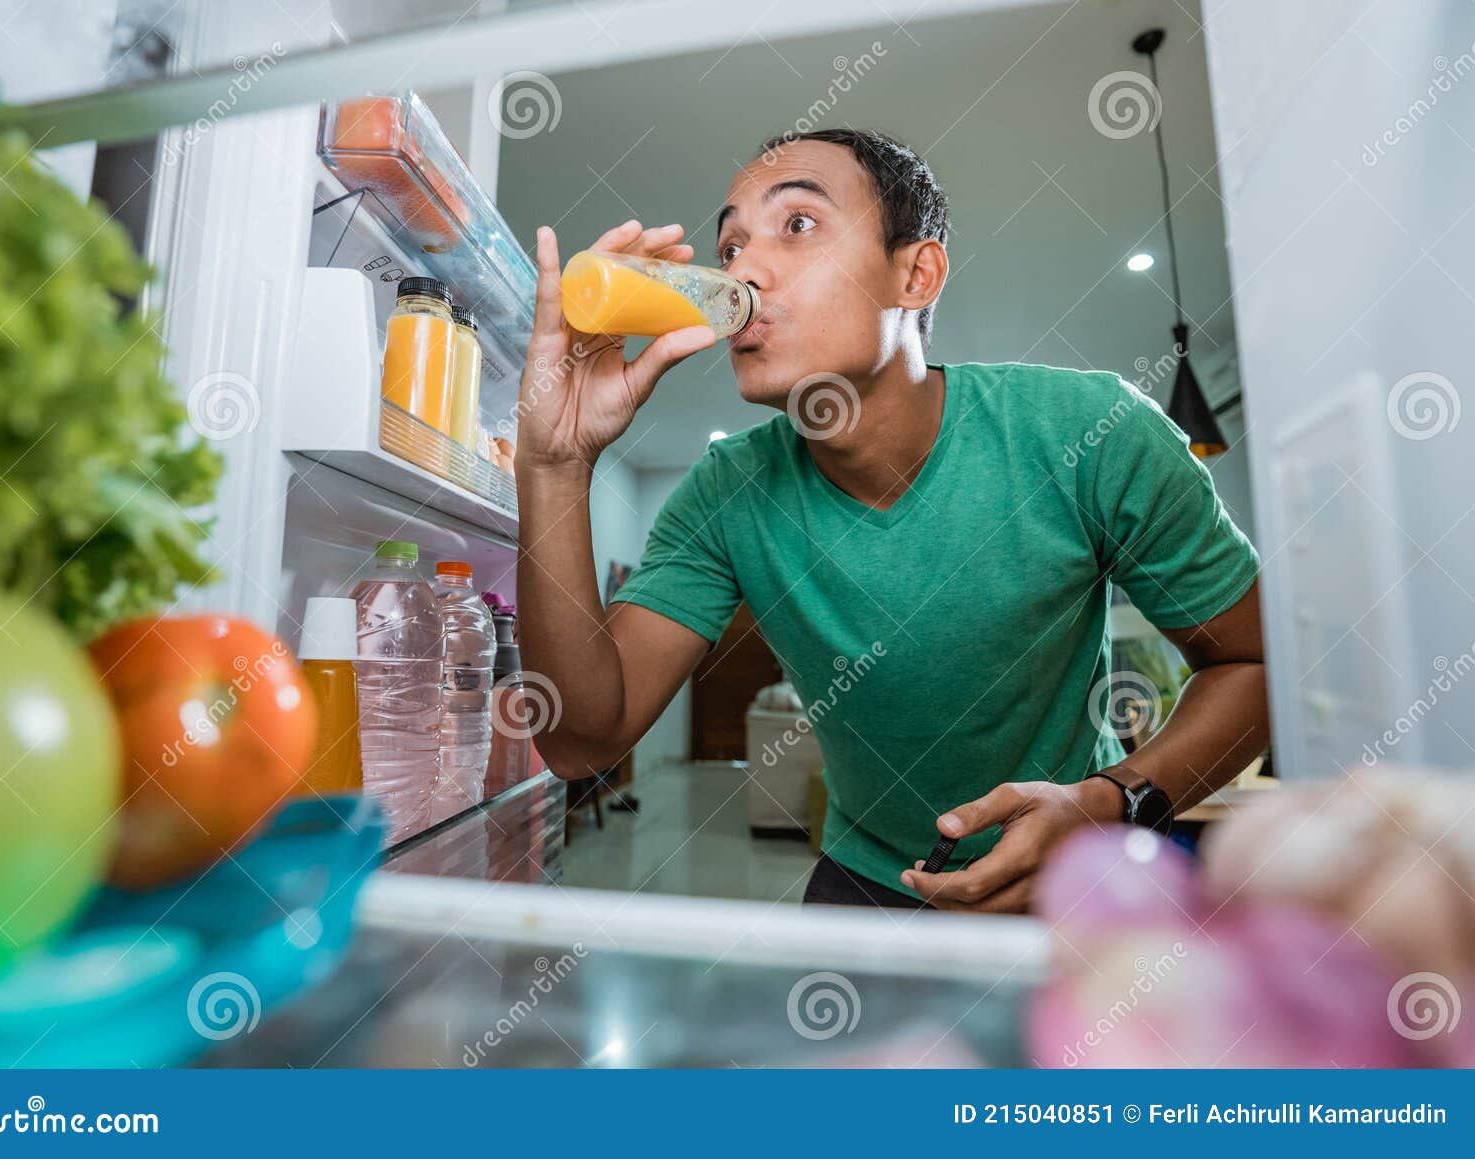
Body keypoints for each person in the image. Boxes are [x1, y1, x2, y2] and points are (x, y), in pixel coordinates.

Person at [514, 127, 1267, 912]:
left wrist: (1109, 802)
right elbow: (579, 739)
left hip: (1076, 863)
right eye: (730, 245)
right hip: (867, 879)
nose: (739, 268)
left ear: (915, 273)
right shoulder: (725, 494)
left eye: (796, 224)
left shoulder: (1092, 433)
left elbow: (1252, 663)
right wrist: (553, 462)